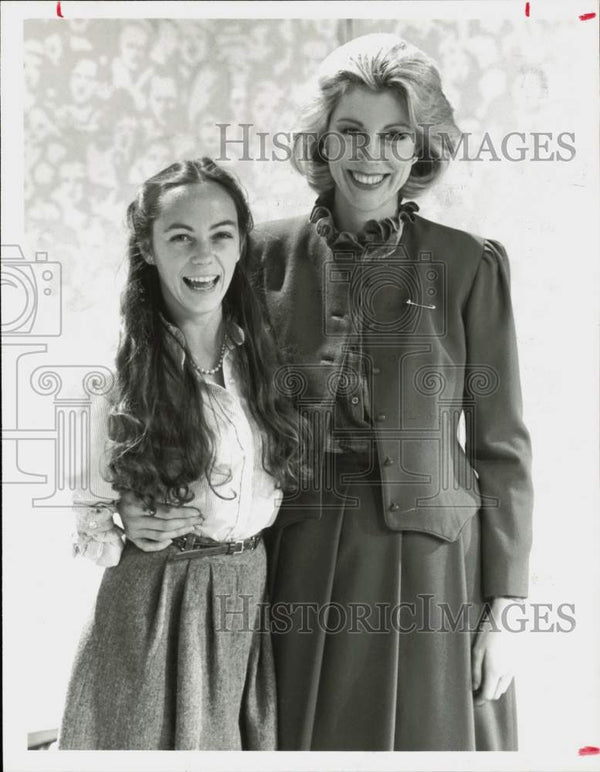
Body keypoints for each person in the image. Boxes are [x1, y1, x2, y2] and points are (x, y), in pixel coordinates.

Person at [121, 33, 534, 751]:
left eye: (394, 135)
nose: (370, 155)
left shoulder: (468, 265)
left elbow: (502, 450)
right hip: (294, 560)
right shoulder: (255, 258)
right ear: (322, 140)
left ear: (420, 148)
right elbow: (189, 389)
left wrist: (505, 611)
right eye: (350, 131)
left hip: (433, 573)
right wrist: (129, 503)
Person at [58, 158, 303, 750]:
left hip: (245, 592)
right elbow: (85, 502)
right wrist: (121, 512)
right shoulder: (114, 366)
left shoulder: (262, 354)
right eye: (180, 237)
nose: (203, 257)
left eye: (221, 236)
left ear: (241, 245)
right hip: (157, 602)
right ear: (147, 248)